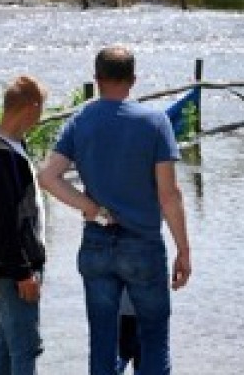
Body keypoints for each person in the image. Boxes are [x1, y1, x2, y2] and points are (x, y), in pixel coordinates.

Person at [38, 45, 191, 375]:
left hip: (96, 244)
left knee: (102, 344)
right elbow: (169, 195)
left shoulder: (80, 120)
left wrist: (89, 207)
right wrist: (183, 249)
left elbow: (48, 177)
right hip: (143, 245)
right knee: (153, 341)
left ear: (96, 79)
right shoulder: (155, 122)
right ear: (133, 80)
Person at [0, 75, 49, 375]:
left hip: (17, 264)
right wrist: (22, 272)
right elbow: (2, 223)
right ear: (31, 107)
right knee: (25, 346)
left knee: (9, 340)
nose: (40, 118)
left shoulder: (11, 148)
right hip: (15, 267)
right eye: (41, 110)